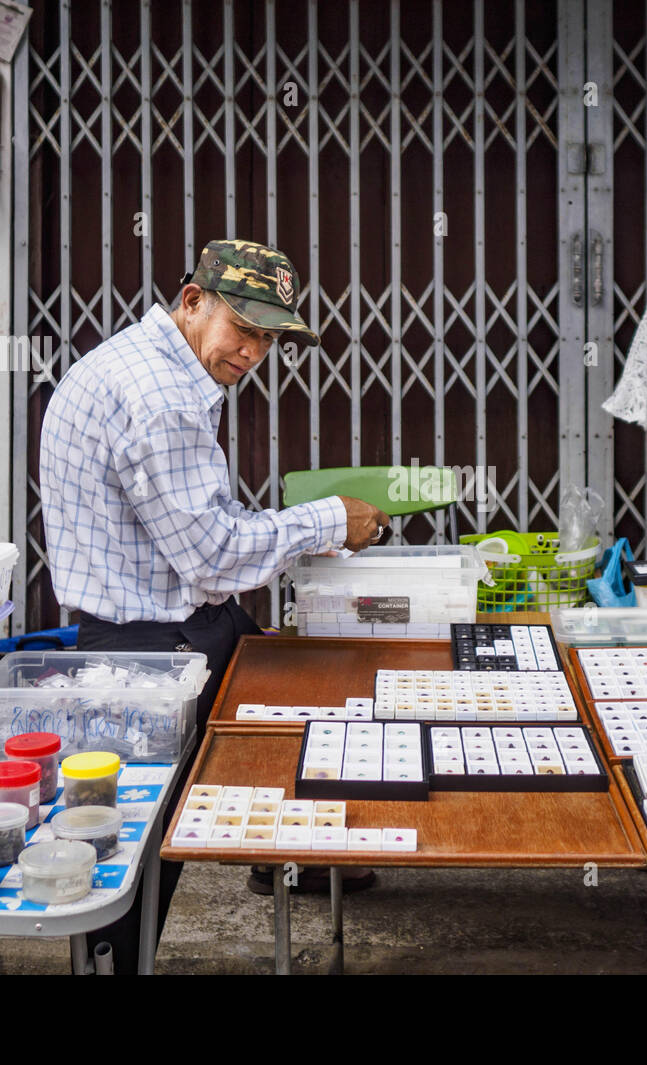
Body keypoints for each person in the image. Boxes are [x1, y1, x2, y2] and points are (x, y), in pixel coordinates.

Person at [39, 239, 390, 972]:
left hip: (183, 618)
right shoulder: (161, 399)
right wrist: (331, 519)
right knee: (138, 851)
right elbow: (215, 554)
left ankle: (283, 853)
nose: (255, 352)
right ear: (192, 300)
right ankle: (111, 962)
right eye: (245, 328)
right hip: (149, 647)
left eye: (269, 337)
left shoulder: (146, 360)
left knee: (292, 721)